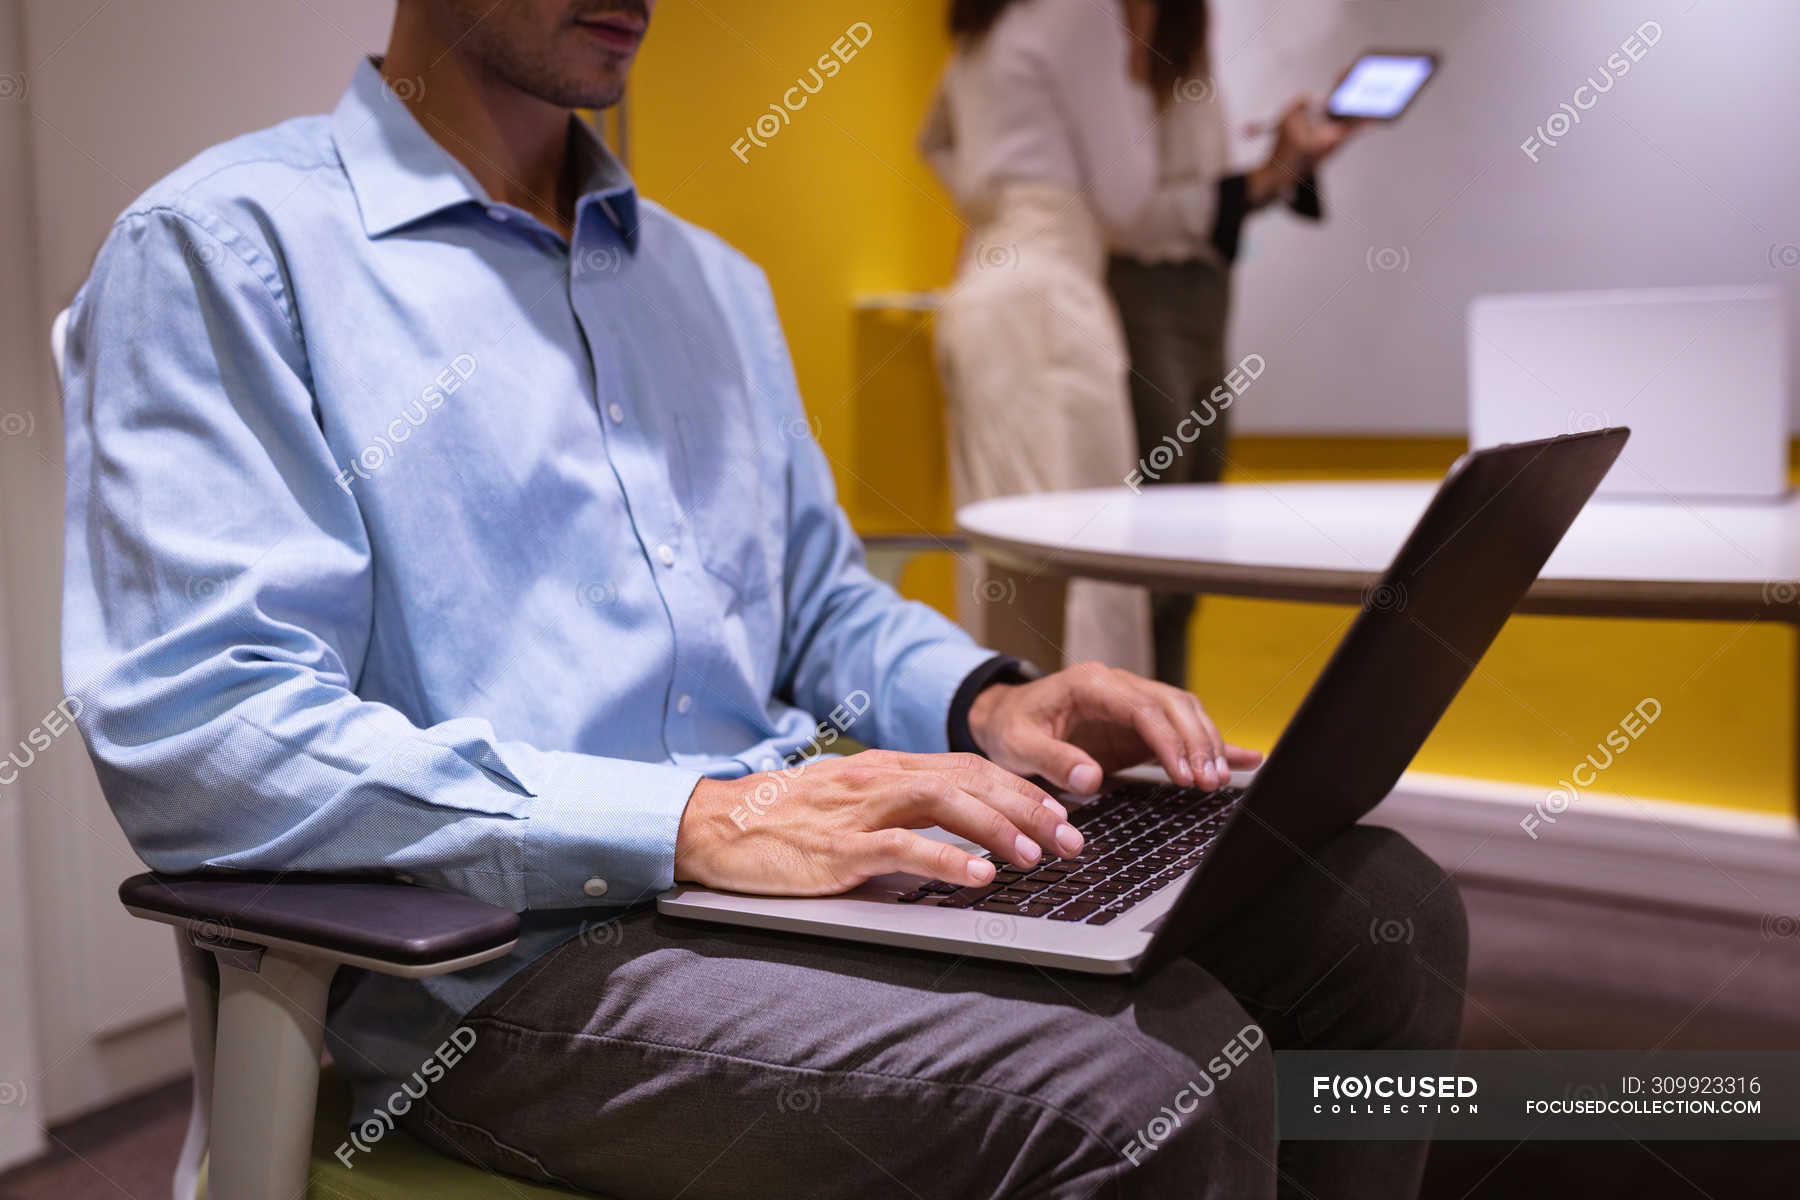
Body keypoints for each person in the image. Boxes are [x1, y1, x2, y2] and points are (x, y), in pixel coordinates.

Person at [61, 1, 1463, 1196]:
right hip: (496, 971)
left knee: (1371, 905)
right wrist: (692, 819)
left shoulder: (705, 284)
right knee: (1146, 1085)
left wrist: (988, 696)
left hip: (789, 890)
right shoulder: (226, 252)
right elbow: (211, 736)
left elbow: (816, 613)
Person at [920, 0, 1212, 677]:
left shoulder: (987, 21)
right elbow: (1128, 197)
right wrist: (1137, 61)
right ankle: (1100, 771)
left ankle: (1019, 762)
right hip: (1048, 300)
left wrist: (993, 201)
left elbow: (931, 139)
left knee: (1005, 568)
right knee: (1093, 565)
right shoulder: (1082, 13)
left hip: (983, 290)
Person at [1108, 1, 1359, 686]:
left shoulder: (1188, 37)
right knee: (1150, 541)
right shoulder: (1103, 32)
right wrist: (1269, 174)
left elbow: (1197, 205)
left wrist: (1285, 167)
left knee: (1189, 538)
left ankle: (1164, 733)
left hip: (1204, 296)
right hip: (1137, 294)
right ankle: (1134, 733)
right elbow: (1132, 216)